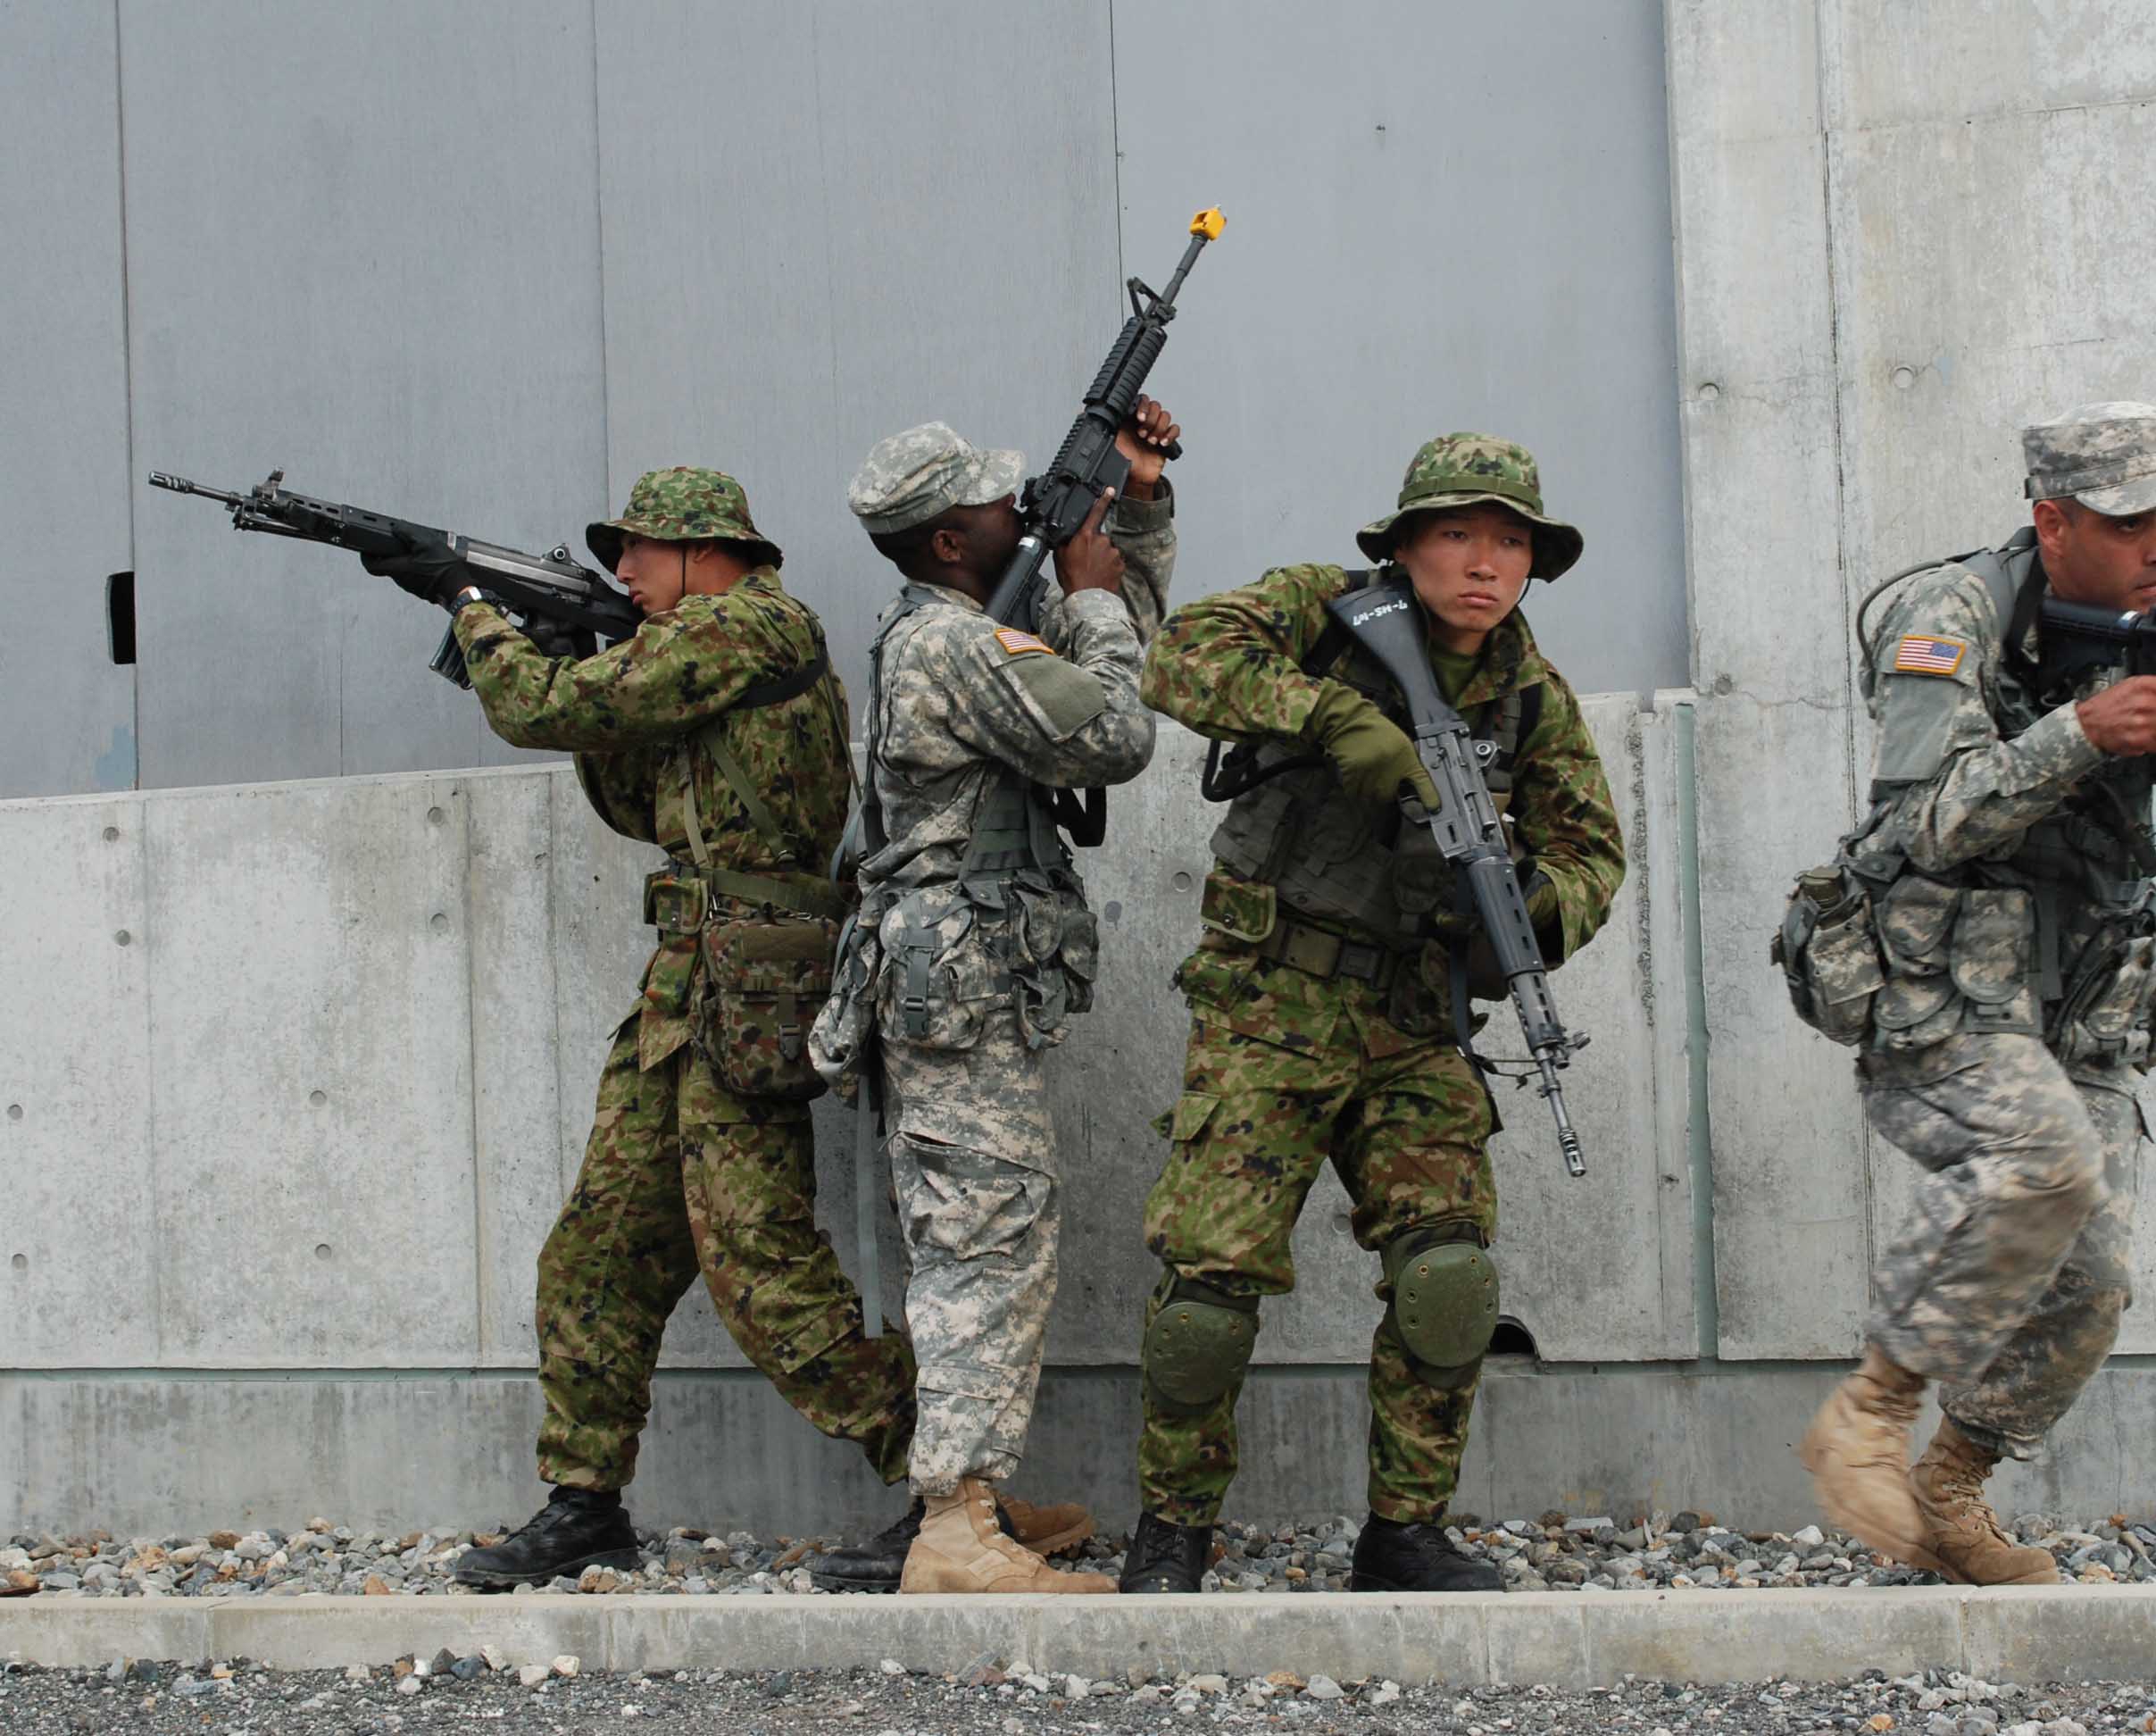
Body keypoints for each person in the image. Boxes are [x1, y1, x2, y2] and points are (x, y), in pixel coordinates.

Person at [365, 466, 1042, 1590]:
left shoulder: (758, 627)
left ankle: (954, 1497)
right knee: (599, 1250)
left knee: (760, 1265)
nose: (622, 572)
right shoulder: (695, 654)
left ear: (704, 551)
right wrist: (578, 652)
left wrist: (470, 604)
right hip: (689, 975)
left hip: (752, 978)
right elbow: (635, 801)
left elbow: (535, 708)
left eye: (637, 551)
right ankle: (583, 1504)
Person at [1787, 403, 2156, 1584]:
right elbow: (1927, 823)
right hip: (1936, 990)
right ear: (2053, 524)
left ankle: (1950, 1493)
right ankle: (1869, 1412)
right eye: (2128, 522)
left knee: (2095, 1277)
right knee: (2045, 1161)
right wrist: (2081, 733)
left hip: (2086, 1000)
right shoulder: (1947, 615)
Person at [1117, 432, 1627, 1595]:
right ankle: (1174, 1528)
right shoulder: (1321, 611)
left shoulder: (1526, 695)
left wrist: (1518, 906)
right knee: (1207, 1288)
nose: (1485, 563)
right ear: (1404, 545)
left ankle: (1405, 1532)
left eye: (1510, 542)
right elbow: (1180, 659)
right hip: (1270, 1002)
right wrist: (1329, 717)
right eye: (1459, 534)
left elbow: (1594, 855)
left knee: (1450, 1277)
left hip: (1414, 1019)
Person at [842, 403, 1178, 1593]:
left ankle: (971, 1497)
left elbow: (1131, 647)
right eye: (994, 503)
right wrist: (1086, 592)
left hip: (971, 970)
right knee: (986, 1230)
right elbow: (1117, 731)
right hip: (961, 973)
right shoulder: (950, 648)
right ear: (947, 541)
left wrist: (1132, 511)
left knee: (993, 1221)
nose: (1019, 505)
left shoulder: (968, 633)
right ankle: (953, 1530)